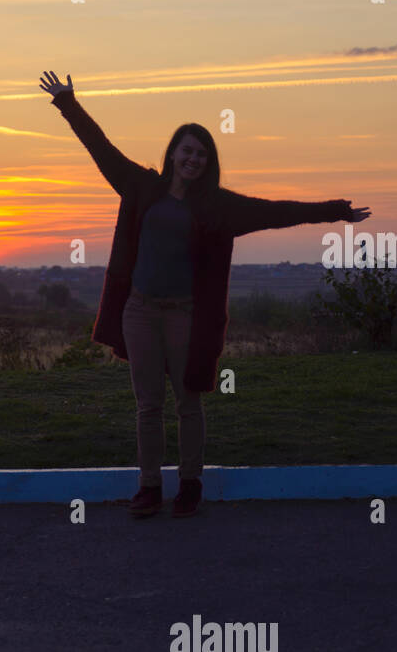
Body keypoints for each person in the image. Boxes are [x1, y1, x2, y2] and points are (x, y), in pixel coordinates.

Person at [38, 70, 370, 518]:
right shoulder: (142, 187)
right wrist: (68, 103)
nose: (192, 159)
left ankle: (189, 483)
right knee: (147, 405)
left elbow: (278, 213)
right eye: (186, 151)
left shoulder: (219, 206)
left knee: (187, 400)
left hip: (185, 316)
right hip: (139, 311)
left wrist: (335, 212)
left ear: (207, 162)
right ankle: (150, 486)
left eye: (200, 154)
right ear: (173, 153)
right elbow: (102, 149)